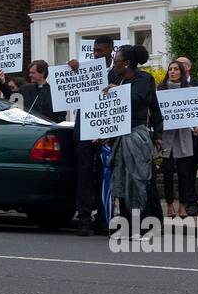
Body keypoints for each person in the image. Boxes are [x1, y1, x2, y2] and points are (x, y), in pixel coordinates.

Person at [67, 36, 120, 234]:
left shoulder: (117, 74)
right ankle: (84, 218)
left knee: (104, 175)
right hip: (85, 130)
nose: (96, 54)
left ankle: (102, 217)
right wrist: (72, 70)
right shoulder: (84, 70)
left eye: (100, 51)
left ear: (111, 51)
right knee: (84, 175)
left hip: (106, 131)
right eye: (94, 51)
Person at [104, 44, 164, 222]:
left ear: (127, 63)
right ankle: (125, 221)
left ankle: (147, 221)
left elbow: (144, 102)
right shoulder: (113, 75)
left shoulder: (144, 80)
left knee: (139, 179)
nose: (114, 65)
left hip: (136, 135)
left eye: (117, 61)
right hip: (118, 136)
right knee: (120, 180)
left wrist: (158, 135)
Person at [158, 60, 198, 218]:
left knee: (184, 174)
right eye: (170, 69)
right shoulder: (161, 90)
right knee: (168, 172)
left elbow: (196, 112)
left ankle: (183, 205)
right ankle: (169, 204)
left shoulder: (190, 90)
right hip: (166, 137)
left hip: (183, 136)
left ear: (182, 72)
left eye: (176, 69)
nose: (173, 72)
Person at [176, 55, 198, 188]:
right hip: (178, 134)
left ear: (188, 67)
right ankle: (187, 200)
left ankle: (192, 202)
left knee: (193, 167)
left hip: (194, 134)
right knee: (182, 169)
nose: (177, 67)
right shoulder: (171, 86)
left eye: (181, 64)